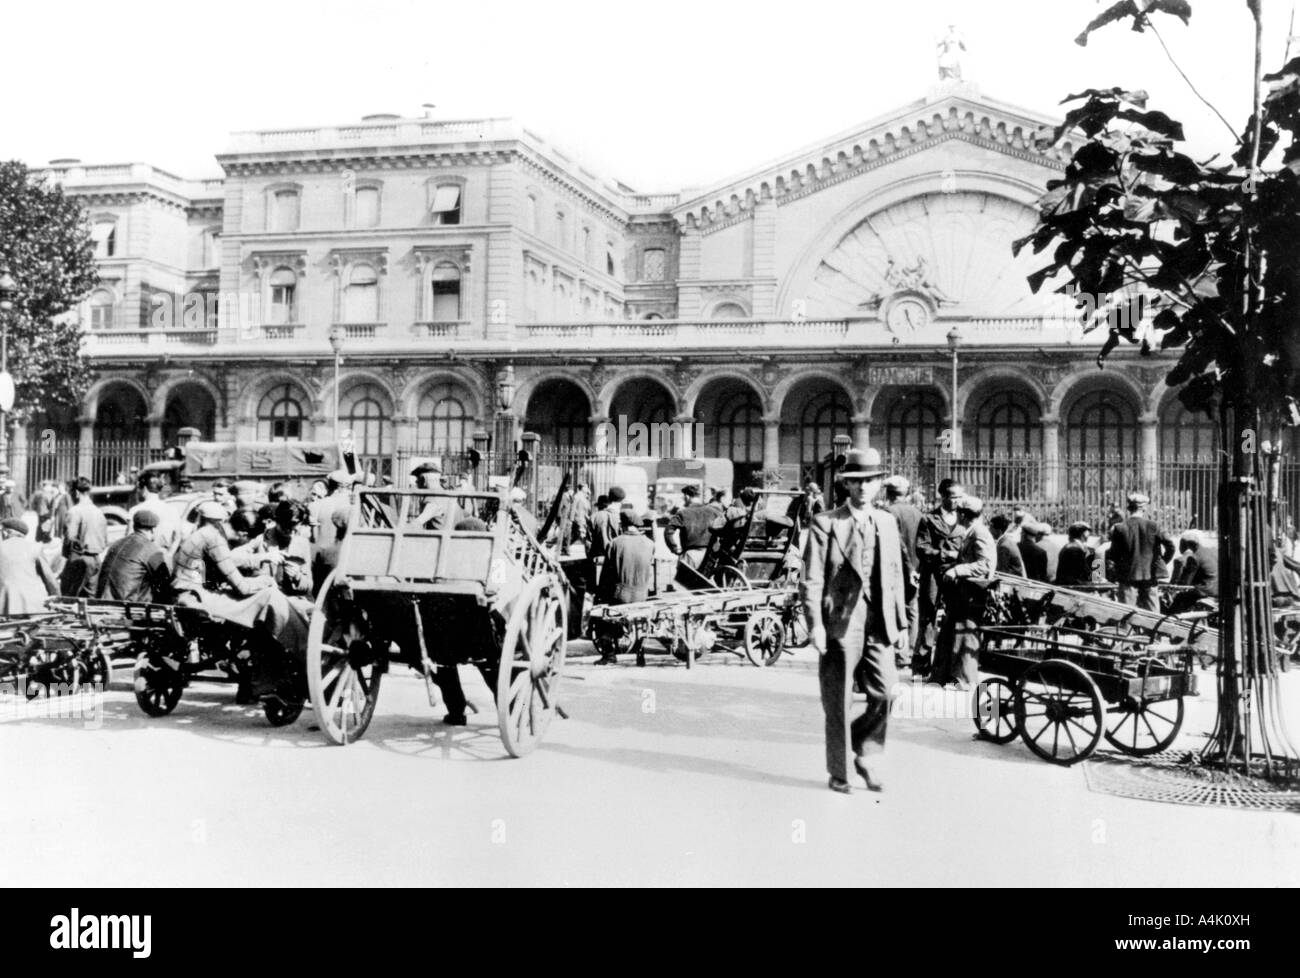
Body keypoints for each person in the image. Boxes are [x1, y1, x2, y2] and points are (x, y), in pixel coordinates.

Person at [802, 449, 912, 794]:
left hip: (879, 621)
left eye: (869, 481)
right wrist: (816, 625)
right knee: (837, 700)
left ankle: (864, 751)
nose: (863, 487)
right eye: (856, 481)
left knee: (887, 690)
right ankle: (839, 772)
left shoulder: (887, 522)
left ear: (879, 484)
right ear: (846, 484)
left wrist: (903, 624)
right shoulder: (826, 522)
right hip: (840, 622)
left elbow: (895, 574)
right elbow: (811, 579)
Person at [929, 496, 996, 690]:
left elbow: (985, 565)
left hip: (973, 592)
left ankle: (964, 680)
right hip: (963, 592)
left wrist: (958, 570)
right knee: (951, 632)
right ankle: (942, 677)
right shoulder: (972, 531)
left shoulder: (980, 533)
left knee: (965, 635)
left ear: (963, 515)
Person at [914, 479, 967, 673]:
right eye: (954, 497)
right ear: (943, 496)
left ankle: (946, 666)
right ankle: (920, 666)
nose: (958, 501)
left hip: (957, 575)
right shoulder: (929, 519)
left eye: (960, 497)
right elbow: (922, 548)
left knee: (954, 617)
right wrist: (946, 555)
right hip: (933, 575)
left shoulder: (964, 518)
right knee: (928, 618)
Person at [593, 510, 655, 664]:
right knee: (639, 619)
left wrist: (600, 595)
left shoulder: (615, 543)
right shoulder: (649, 543)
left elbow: (607, 574)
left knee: (601, 618)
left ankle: (609, 654)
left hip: (621, 595)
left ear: (623, 525)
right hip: (642, 595)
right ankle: (640, 652)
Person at [1108, 492, 1174, 611]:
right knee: (1153, 617)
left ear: (1129, 508)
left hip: (1127, 577)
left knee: (1127, 615)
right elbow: (1171, 546)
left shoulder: (1120, 528)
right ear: (1144, 508)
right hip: (1150, 576)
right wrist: (1162, 561)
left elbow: (1113, 554)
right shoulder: (1154, 526)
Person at [882, 475, 923, 668]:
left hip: (894, 569)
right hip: (916, 568)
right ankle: (909, 653)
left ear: (889, 493)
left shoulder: (887, 512)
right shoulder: (918, 513)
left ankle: (897, 652)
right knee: (912, 610)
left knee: (892, 609)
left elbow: (894, 543)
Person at [97, 509, 173, 604]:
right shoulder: (151, 550)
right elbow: (164, 587)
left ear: (134, 526)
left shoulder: (116, 544)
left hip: (101, 602)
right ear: (153, 530)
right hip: (125, 609)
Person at [60, 476, 108, 598]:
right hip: (96, 560)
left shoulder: (74, 511)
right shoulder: (99, 511)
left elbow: (70, 538)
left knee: (69, 597)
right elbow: (104, 540)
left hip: (79, 560)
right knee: (90, 599)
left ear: (76, 493)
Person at [0, 517, 59, 614]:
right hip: (34, 608)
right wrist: (58, 604)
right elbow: (52, 582)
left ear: (5, 533)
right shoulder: (35, 548)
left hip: (4, 609)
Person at [311, 468, 356, 594]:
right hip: (351, 562)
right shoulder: (357, 505)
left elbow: (314, 538)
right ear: (348, 486)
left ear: (331, 486)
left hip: (323, 563)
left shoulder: (316, 505)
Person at [665, 484, 720, 569]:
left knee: (683, 582)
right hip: (710, 557)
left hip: (690, 556)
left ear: (687, 497)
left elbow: (668, 532)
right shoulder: (714, 512)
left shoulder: (683, 513)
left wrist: (674, 548)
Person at [128, 470, 181, 554]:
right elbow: (177, 538)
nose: (138, 491)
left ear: (145, 489)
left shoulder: (135, 510)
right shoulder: (173, 510)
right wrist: (169, 555)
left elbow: (129, 539)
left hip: (141, 557)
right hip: (163, 556)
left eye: (139, 488)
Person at [1172, 529, 1219, 612]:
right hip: (1218, 589)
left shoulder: (1194, 557)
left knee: (1178, 598)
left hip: (1205, 592)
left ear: (1186, 544)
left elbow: (1184, 584)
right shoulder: (1214, 551)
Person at [587, 486, 623, 588]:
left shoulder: (593, 517)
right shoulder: (616, 516)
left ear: (598, 506)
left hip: (597, 553)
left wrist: (589, 557)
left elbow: (588, 541)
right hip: (612, 553)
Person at [1055, 522, 1096, 587]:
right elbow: (1083, 571)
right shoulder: (1075, 549)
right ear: (1083, 533)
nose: (1089, 534)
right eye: (1088, 531)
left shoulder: (1070, 546)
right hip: (1071, 588)